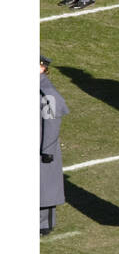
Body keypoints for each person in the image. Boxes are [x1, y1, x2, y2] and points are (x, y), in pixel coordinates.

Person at [40, 55, 69, 237]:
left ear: (42, 68)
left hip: (42, 145)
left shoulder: (47, 92)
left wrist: (47, 149)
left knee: (45, 185)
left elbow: (51, 123)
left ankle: (45, 223)